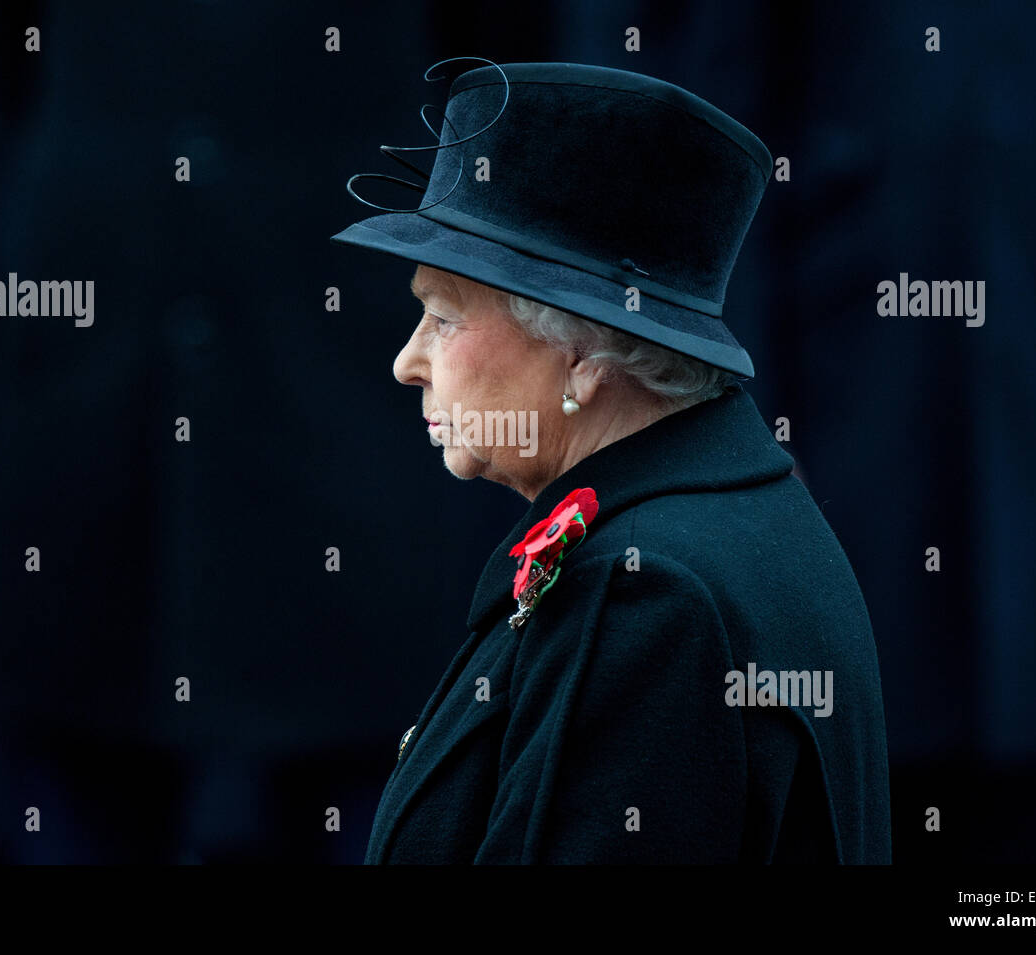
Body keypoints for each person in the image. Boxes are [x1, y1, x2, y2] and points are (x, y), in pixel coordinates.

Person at [332, 60, 891, 863]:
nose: (408, 362)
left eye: (444, 316)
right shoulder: (728, 511)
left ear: (582, 356)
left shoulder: (645, 599)